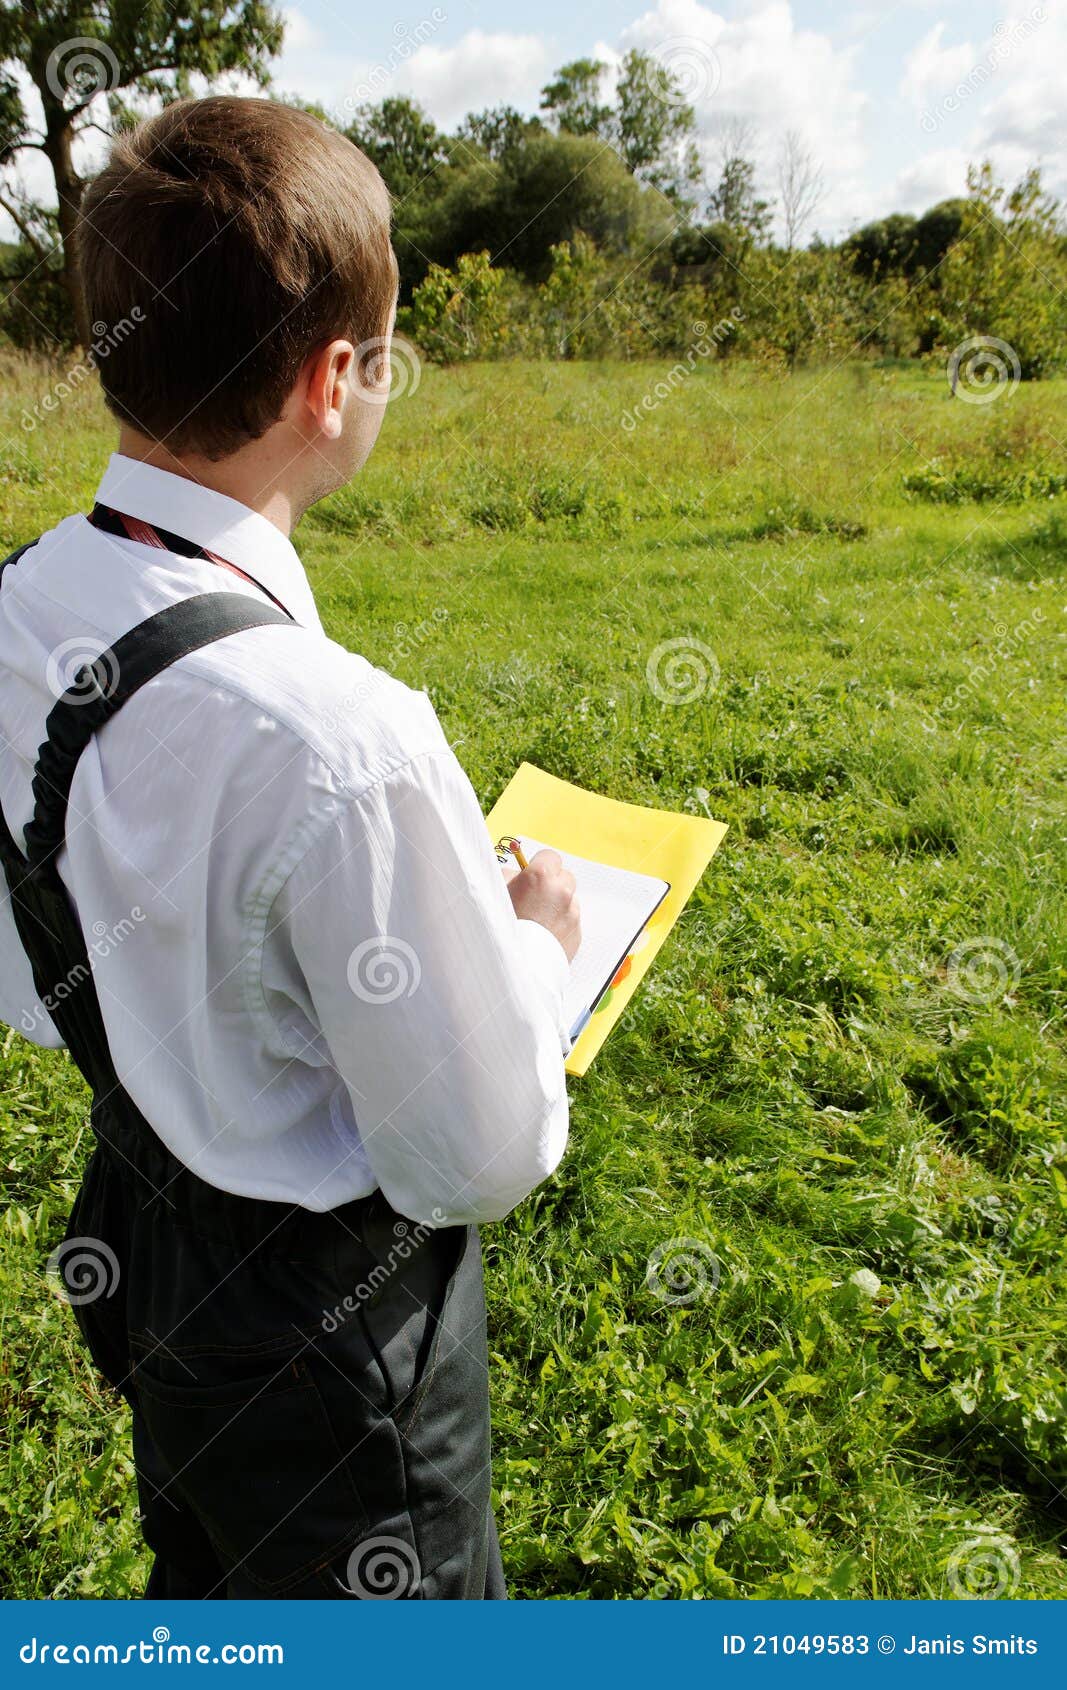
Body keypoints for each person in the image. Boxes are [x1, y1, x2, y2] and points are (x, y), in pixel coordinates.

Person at [0, 95, 579, 1600]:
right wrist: (536, 945)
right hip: (338, 1364)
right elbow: (475, 1147)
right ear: (336, 379)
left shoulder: (17, 609)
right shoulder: (341, 739)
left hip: (156, 1262)